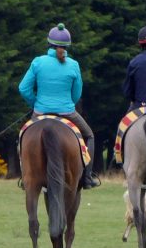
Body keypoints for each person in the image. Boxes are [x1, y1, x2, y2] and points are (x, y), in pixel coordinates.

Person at [17, 23, 100, 189]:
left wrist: (36, 103)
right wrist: (67, 103)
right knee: (89, 135)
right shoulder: (73, 65)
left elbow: (23, 88)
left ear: (49, 44)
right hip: (67, 112)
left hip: (40, 112)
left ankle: (25, 176)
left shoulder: (38, 62)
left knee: (22, 137)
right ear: (67, 46)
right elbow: (77, 93)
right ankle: (87, 177)